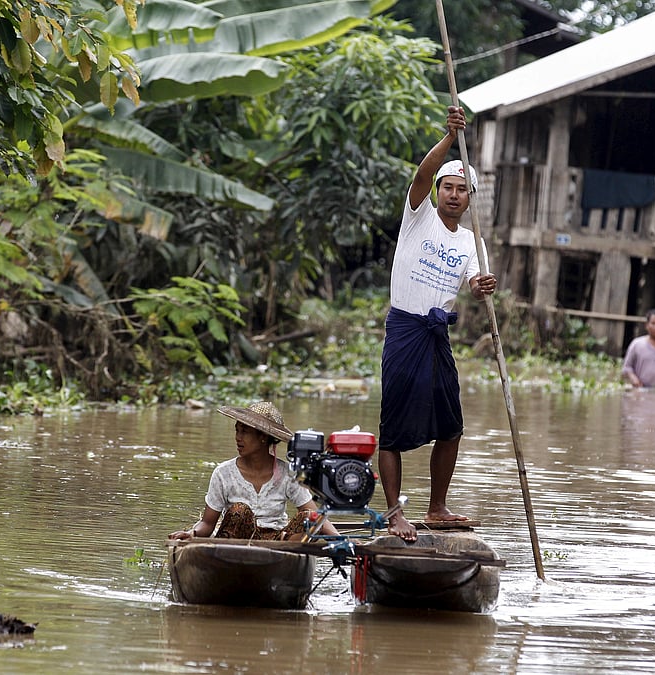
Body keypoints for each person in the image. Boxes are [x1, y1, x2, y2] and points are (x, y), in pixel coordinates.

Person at [379, 105, 497, 542]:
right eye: (447, 187)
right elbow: (420, 177)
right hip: (405, 330)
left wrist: (482, 285)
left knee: (452, 426)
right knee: (392, 429)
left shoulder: (470, 240)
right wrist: (449, 137)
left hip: (437, 334)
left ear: (469, 199)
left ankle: (437, 506)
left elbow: (472, 282)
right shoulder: (419, 216)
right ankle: (394, 514)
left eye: (461, 190)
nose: (452, 194)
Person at [168, 401, 337, 542]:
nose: (238, 437)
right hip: (236, 542)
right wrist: (192, 534)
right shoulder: (223, 473)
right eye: (237, 430)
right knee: (239, 511)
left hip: (278, 543)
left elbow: (316, 515)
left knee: (310, 517)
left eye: (245, 432)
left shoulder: (287, 473)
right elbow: (207, 523)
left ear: (263, 437)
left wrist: (341, 541)